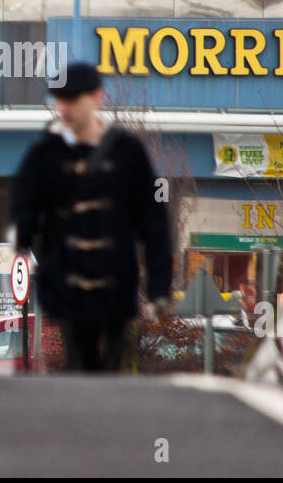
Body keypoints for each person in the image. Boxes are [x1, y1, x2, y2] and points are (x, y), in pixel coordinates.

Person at [10, 62, 173, 372]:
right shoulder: (45, 155)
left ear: (98, 97)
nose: (65, 107)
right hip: (67, 283)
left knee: (112, 369)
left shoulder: (128, 152)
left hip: (117, 282)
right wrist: (24, 233)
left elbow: (154, 222)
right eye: (60, 99)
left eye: (73, 99)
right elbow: (24, 207)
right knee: (79, 364)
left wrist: (159, 286)